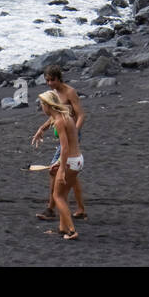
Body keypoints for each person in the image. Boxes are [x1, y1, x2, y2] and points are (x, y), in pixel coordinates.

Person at [31, 66, 86, 221]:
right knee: (72, 175)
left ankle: (50, 209)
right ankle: (81, 209)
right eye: (47, 80)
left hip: (71, 135)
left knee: (54, 171)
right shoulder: (53, 94)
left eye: (52, 80)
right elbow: (55, 115)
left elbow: (81, 115)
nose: (49, 83)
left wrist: (74, 132)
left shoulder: (70, 92)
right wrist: (42, 128)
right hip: (64, 134)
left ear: (59, 78)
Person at [37, 90, 82, 240]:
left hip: (70, 161)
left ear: (47, 105)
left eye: (41, 105)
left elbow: (65, 147)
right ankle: (62, 228)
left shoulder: (60, 121)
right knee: (63, 195)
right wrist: (41, 129)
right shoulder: (64, 116)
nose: (41, 108)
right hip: (78, 160)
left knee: (57, 195)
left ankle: (71, 231)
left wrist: (61, 168)